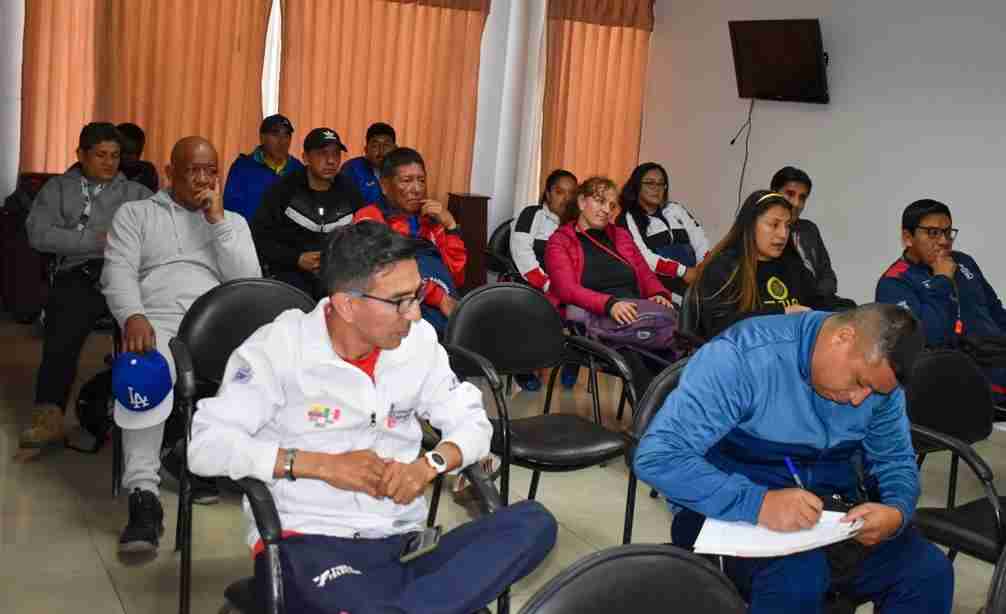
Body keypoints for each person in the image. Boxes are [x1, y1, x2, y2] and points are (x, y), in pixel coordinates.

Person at [187, 221, 556, 614]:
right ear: (347, 303)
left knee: (534, 523)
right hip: (309, 540)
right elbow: (207, 446)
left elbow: (473, 423)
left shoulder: (418, 343)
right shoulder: (278, 349)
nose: (415, 314)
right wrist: (323, 466)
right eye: (400, 301)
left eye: (417, 296)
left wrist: (428, 466)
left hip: (402, 543)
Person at [635, 304, 953, 613]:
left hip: (829, 517)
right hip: (729, 510)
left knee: (928, 572)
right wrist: (758, 503)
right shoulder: (740, 357)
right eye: (859, 382)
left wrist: (897, 510)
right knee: (799, 579)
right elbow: (658, 456)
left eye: (875, 392)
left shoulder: (880, 380)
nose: (860, 400)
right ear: (842, 337)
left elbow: (897, 460)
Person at [102, 136, 262, 553]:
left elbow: (248, 283)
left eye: (212, 170)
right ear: (171, 173)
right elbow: (117, 272)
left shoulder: (233, 222)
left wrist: (218, 222)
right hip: (158, 321)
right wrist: (131, 316)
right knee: (144, 372)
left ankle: (227, 464)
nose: (204, 179)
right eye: (194, 170)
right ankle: (144, 496)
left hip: (220, 323)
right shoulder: (135, 214)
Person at [17, 122, 152, 454]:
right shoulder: (58, 189)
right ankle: (48, 415)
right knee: (62, 334)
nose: (109, 163)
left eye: (115, 156)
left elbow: (155, 234)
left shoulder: (135, 194)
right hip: (78, 274)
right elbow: (39, 235)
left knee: (152, 330)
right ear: (81, 154)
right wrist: (97, 240)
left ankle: (149, 415)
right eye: (101, 155)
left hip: (126, 276)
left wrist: (88, 242)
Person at [545, 176, 676, 398]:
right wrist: (609, 304)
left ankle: (674, 423)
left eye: (611, 205)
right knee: (633, 357)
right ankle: (647, 426)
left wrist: (658, 293)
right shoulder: (560, 241)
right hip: (592, 317)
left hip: (633, 314)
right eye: (599, 201)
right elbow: (566, 289)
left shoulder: (620, 235)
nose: (606, 209)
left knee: (671, 359)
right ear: (581, 202)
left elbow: (644, 272)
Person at [876, 199, 1006, 402]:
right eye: (933, 233)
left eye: (947, 232)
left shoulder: (963, 261)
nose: (944, 241)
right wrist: (942, 280)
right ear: (907, 237)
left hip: (997, 355)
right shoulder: (894, 283)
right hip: (964, 374)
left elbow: (996, 311)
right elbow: (928, 338)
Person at [692, 190, 843, 339]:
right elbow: (719, 329)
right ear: (750, 225)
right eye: (774, 224)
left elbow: (819, 303)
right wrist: (782, 313)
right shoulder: (722, 268)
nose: (783, 234)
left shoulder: (793, 266)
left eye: (788, 225)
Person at [354, 147, 465, 336]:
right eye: (406, 181)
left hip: (443, 315)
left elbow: (455, 277)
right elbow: (383, 273)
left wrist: (451, 227)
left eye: (421, 180)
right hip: (395, 316)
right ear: (384, 186)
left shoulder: (432, 221)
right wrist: (439, 298)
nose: (417, 189)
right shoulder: (370, 218)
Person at [253, 127, 363, 299]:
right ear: (305, 158)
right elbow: (260, 239)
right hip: (290, 276)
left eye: (336, 154)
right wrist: (296, 258)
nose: (331, 161)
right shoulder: (283, 191)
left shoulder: (350, 192)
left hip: (337, 279)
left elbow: (362, 237)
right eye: (322, 154)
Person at [510, 169, 579, 391]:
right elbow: (521, 253)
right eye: (559, 192)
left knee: (587, 304)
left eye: (571, 193)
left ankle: (573, 359)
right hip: (536, 283)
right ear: (548, 193)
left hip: (567, 286)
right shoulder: (532, 214)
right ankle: (523, 367)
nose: (565, 198)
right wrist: (549, 284)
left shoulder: (578, 223)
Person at [620, 162, 709, 295]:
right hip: (660, 286)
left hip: (695, 278)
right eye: (650, 183)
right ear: (637, 186)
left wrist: (703, 267)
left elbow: (700, 239)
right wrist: (683, 271)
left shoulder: (676, 209)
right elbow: (642, 256)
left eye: (661, 184)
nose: (656, 189)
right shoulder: (628, 217)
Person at [771, 166, 841, 298]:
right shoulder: (765, 233)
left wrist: (817, 296)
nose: (796, 203)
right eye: (790, 194)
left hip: (821, 301)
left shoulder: (809, 229)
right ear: (773, 193)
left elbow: (828, 275)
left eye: (802, 198)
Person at [223, 114, 305, 221]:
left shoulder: (298, 169)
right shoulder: (243, 167)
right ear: (262, 137)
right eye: (275, 134)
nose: (282, 141)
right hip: (249, 234)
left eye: (286, 135)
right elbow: (230, 209)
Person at [338, 122, 397, 211]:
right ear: (366, 150)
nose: (381, 151)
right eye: (375, 146)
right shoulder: (352, 169)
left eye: (386, 145)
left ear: (395, 148)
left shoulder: (404, 170)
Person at [116, 122, 160, 192]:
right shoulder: (108, 171)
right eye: (128, 152)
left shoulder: (147, 171)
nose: (133, 157)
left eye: (137, 153)